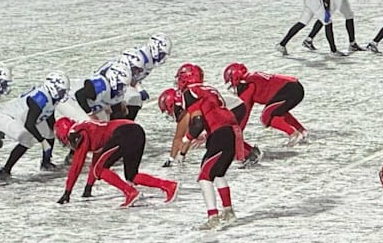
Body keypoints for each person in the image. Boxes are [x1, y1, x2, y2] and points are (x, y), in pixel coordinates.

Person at [165, 66, 240, 228]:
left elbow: (197, 122)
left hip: (220, 134)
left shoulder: (190, 92)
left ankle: (213, 217)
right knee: (217, 173)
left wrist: (187, 139)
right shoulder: (209, 89)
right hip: (230, 131)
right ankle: (228, 211)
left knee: (204, 177)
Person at [56, 117, 178, 208]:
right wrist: (88, 187)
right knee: (132, 176)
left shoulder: (78, 134)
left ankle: (130, 192)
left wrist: (67, 192)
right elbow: (96, 161)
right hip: (136, 130)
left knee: (100, 170)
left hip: (125, 132)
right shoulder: (87, 128)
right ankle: (168, 185)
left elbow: (77, 166)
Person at [0, 73, 69, 180]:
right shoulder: (40, 98)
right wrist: (42, 141)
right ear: (53, 88)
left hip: (27, 116)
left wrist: (57, 132)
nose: (63, 94)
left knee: (49, 132)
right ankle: (5, 170)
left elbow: (49, 116)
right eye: (62, 91)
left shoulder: (50, 96)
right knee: (27, 138)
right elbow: (29, 124)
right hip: (10, 116)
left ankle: (46, 163)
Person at [222, 62, 307, 142]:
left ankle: (294, 134)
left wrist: (237, 133)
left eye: (231, 80)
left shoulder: (247, 86)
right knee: (277, 111)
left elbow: (244, 114)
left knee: (266, 117)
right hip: (295, 87)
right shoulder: (251, 78)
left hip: (287, 90)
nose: (232, 85)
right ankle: (301, 131)